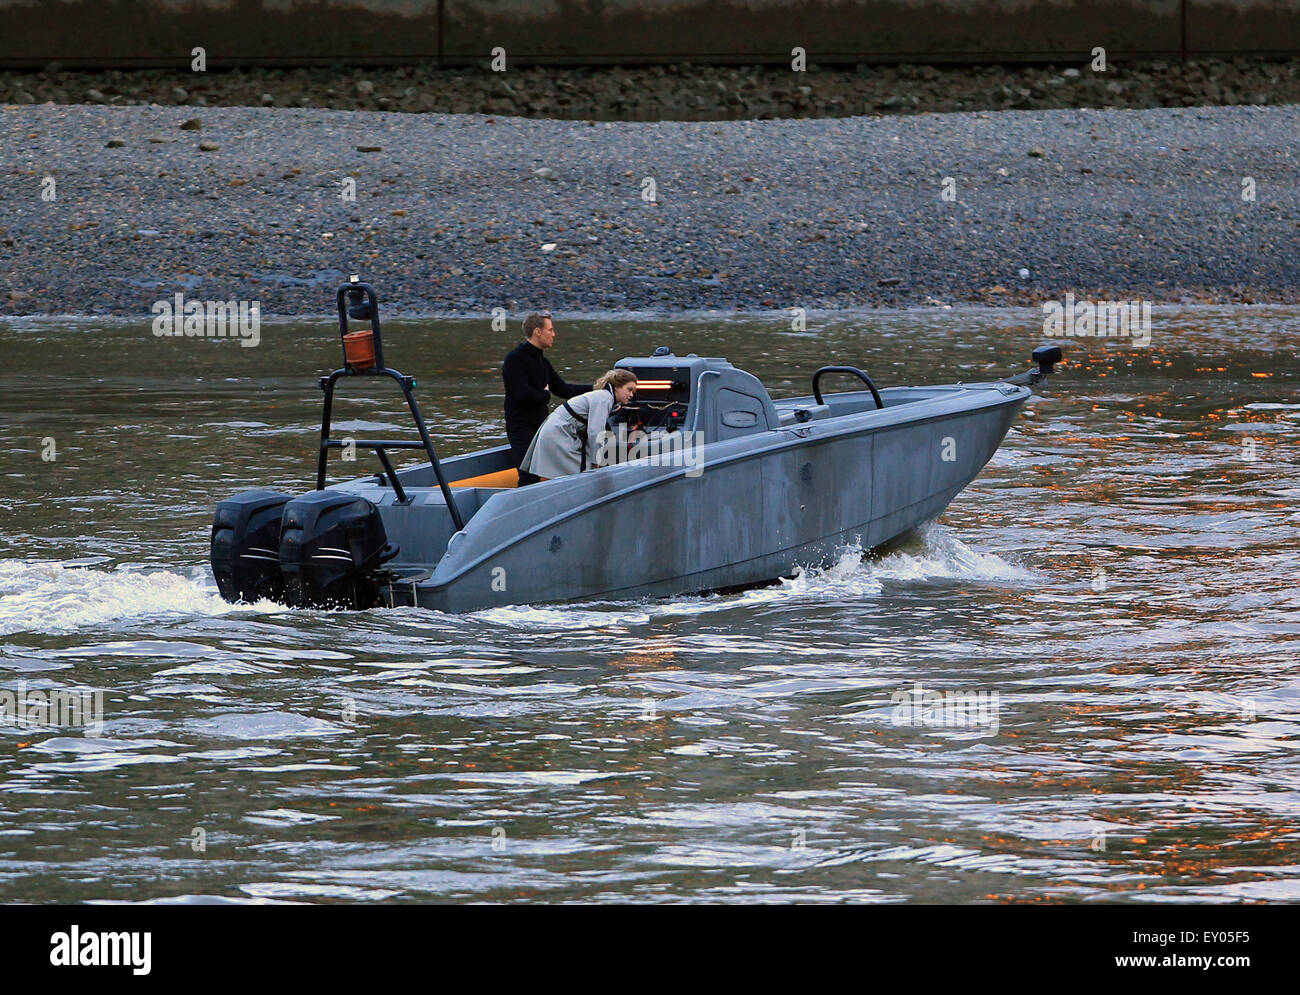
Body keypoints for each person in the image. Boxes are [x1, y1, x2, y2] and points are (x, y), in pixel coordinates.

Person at [502, 313, 590, 486]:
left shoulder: (542, 361)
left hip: (541, 426)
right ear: (537, 332)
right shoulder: (515, 359)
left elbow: (564, 389)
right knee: (529, 475)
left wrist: (598, 387)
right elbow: (522, 393)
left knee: (545, 472)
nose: (554, 334)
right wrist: (545, 395)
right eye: (550, 330)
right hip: (521, 427)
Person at [521, 370, 637, 481]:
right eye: (629, 389)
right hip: (559, 431)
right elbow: (595, 431)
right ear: (617, 387)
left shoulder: (603, 396)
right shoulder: (604, 398)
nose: (631, 394)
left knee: (580, 466)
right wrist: (596, 460)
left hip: (557, 427)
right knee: (581, 469)